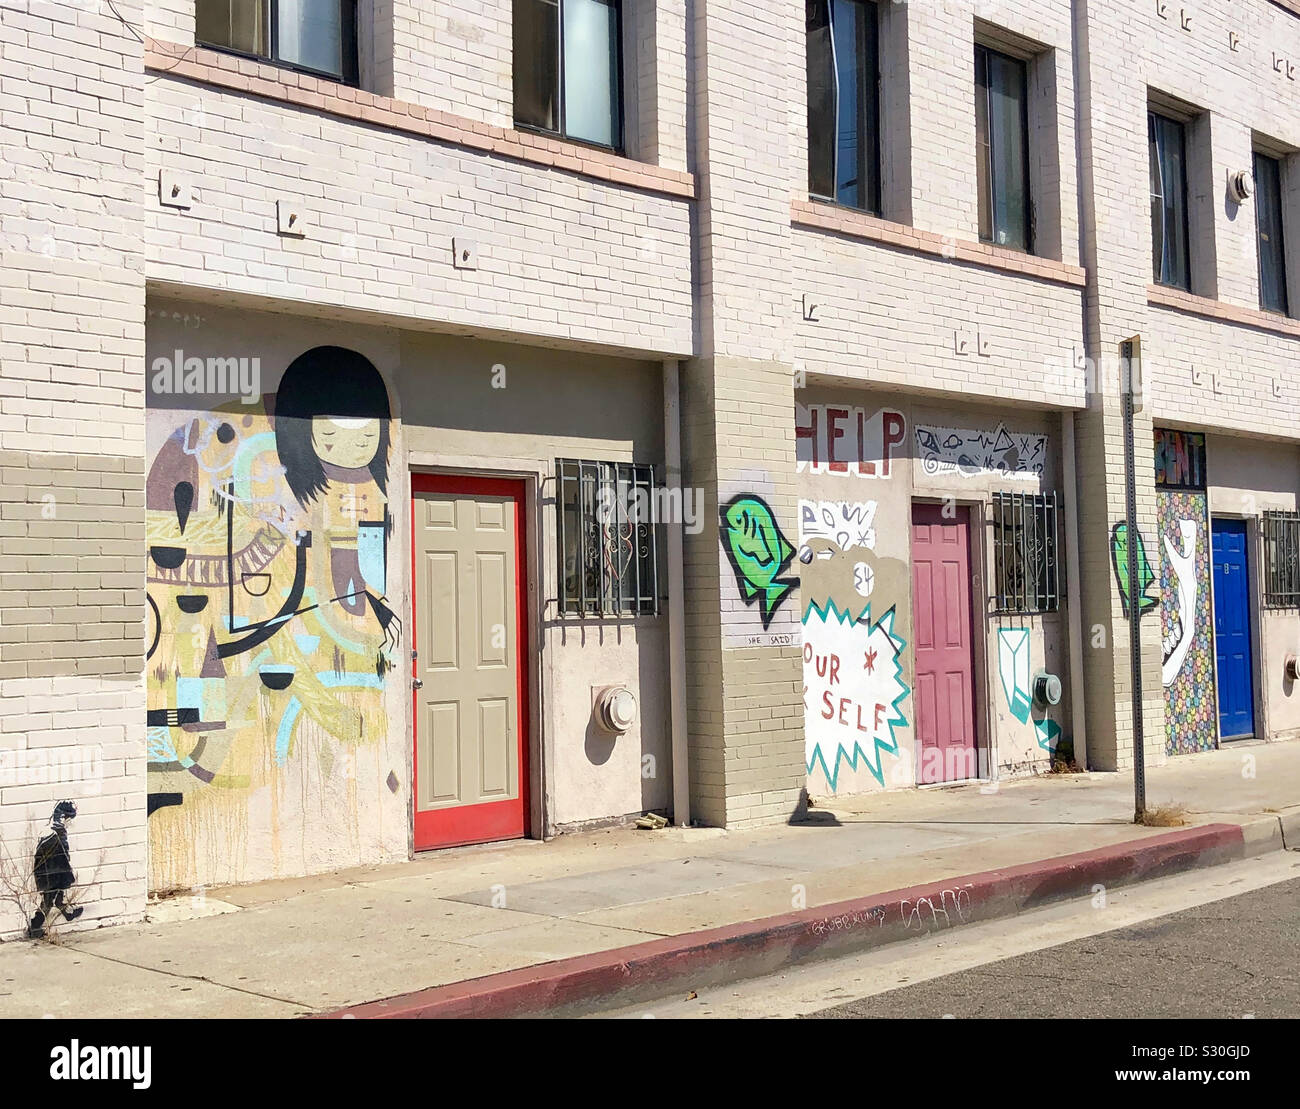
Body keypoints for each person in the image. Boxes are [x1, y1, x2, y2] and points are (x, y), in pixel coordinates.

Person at [27, 800, 84, 939]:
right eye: (69, 819)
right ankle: (35, 926)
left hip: (56, 873)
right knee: (48, 900)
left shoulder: (57, 832)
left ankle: (67, 914)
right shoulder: (53, 835)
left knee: (55, 898)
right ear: (63, 818)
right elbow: (53, 857)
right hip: (53, 874)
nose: (70, 823)